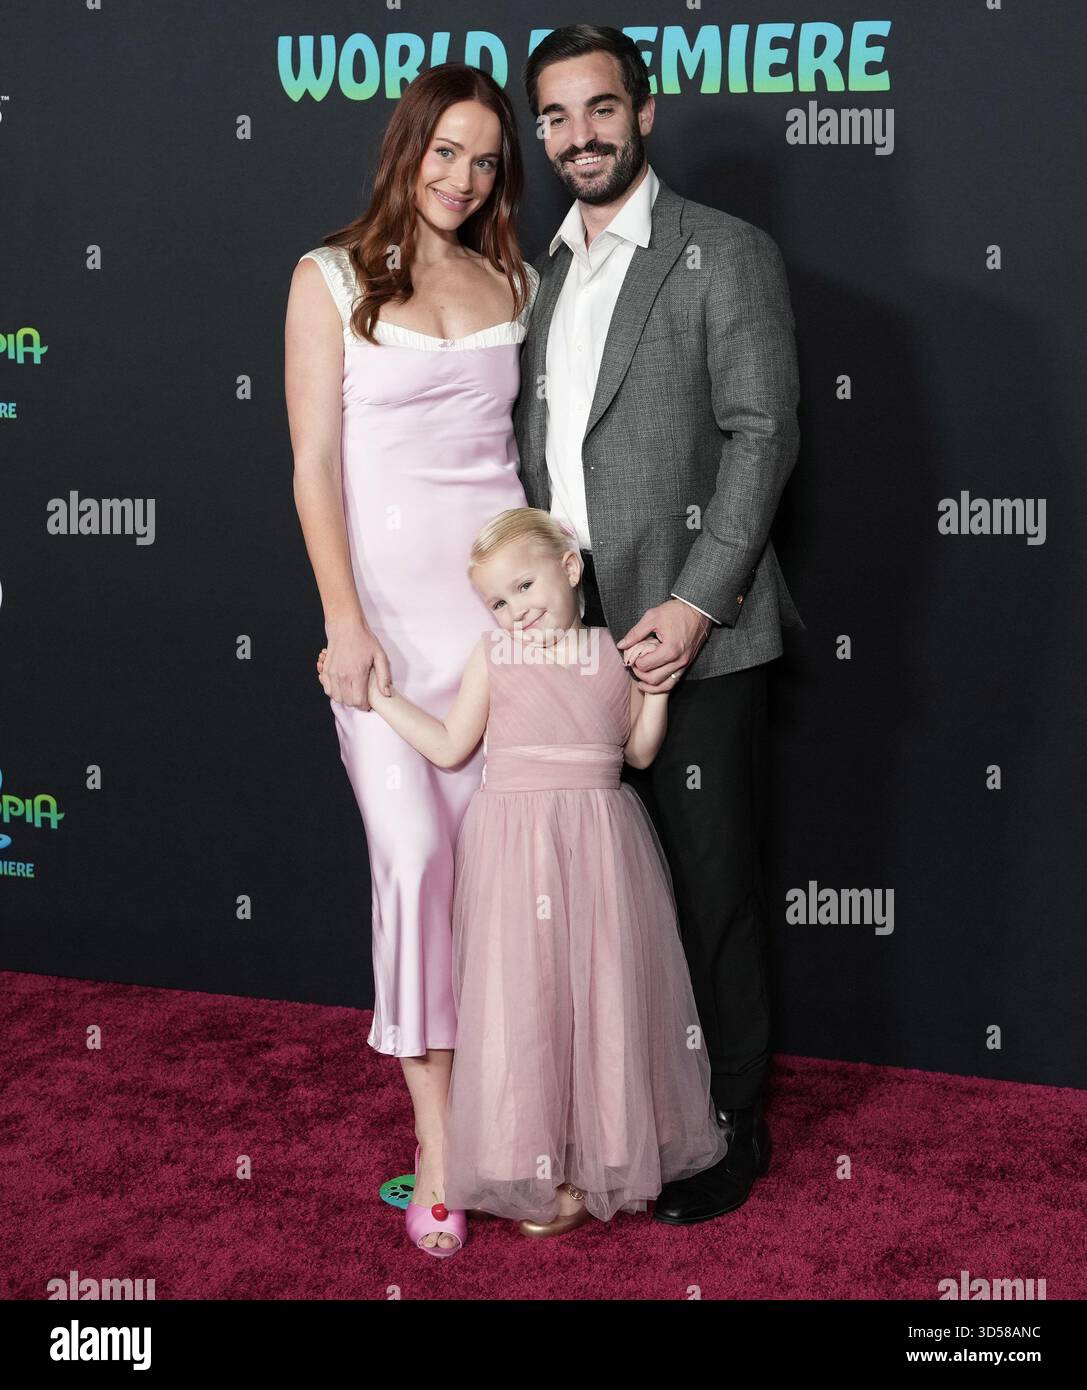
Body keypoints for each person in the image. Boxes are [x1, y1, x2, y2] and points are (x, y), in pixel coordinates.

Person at [512, 26, 805, 1221]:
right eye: (555, 116)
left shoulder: (720, 251)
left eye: (598, 108)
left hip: (699, 635)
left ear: (643, 111)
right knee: (590, 904)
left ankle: (731, 1125)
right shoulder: (538, 277)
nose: (577, 135)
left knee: (708, 890)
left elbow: (762, 434)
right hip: (569, 649)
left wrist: (692, 603)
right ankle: (620, 1113)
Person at [285, 63, 539, 1254]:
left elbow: (524, 462)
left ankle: (512, 1118)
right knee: (415, 859)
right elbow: (312, 466)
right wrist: (343, 620)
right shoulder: (329, 278)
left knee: (498, 881)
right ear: (407, 148)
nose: (462, 178)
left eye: (484, 160)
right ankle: (439, 1141)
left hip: (500, 630)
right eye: (446, 152)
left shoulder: (515, 281)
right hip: (385, 635)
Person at [317, 508, 728, 1241]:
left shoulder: (613, 652)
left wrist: (658, 692)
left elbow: (637, 752)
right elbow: (450, 746)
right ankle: (526, 1162)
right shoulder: (495, 657)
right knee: (522, 996)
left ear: (570, 567)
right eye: (498, 602)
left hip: (600, 843)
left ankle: (599, 1156)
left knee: (601, 989)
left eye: (525, 586)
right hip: (513, 849)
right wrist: (380, 698)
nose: (515, 610)